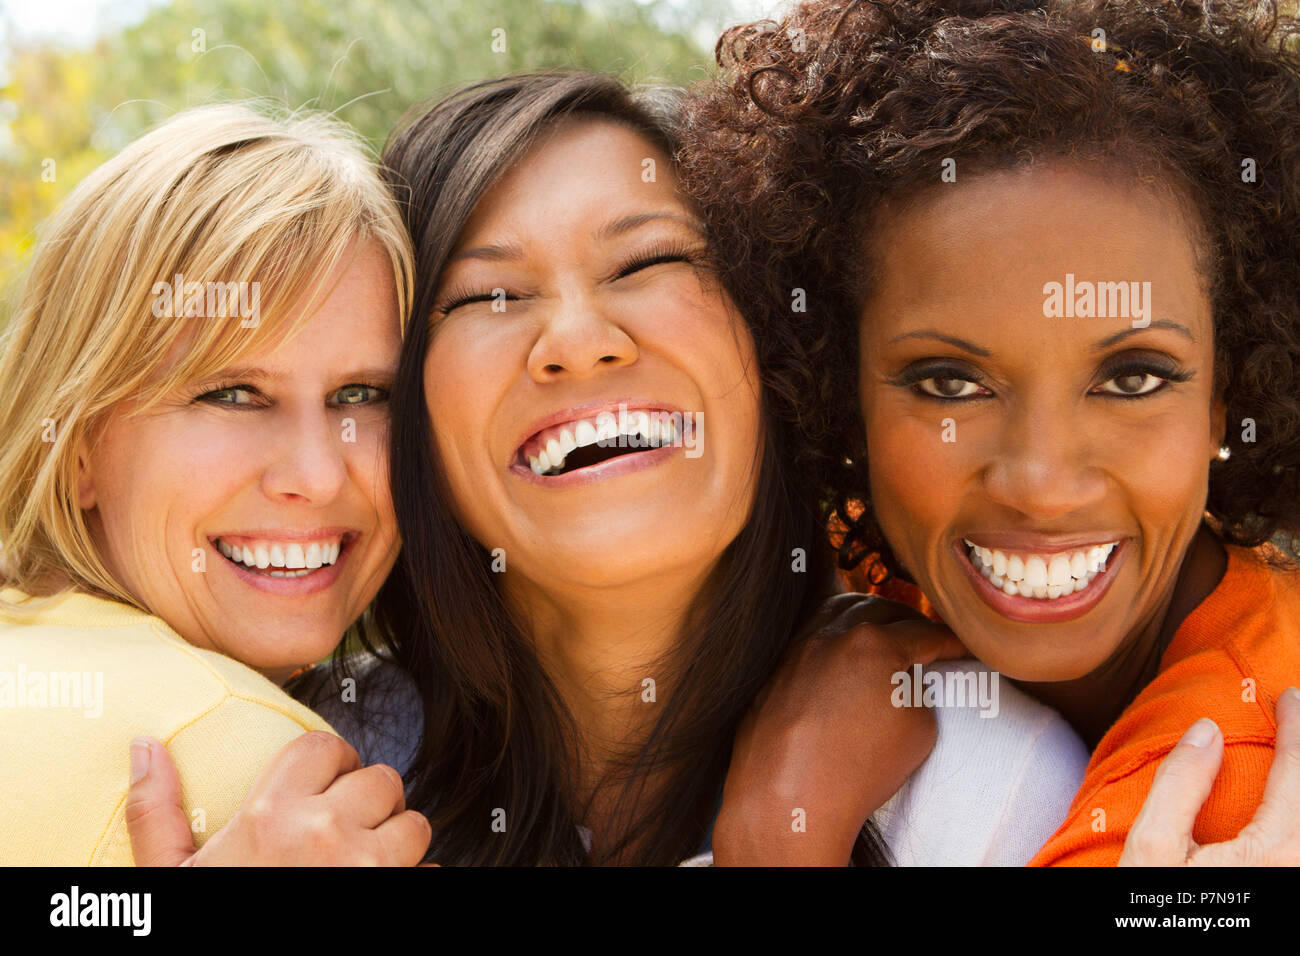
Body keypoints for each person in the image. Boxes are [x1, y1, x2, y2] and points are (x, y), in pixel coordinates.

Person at [292, 70, 1091, 866]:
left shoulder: (984, 786)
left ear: (773, 345)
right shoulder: (297, 779)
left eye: (646, 262)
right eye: (489, 296)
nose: (577, 339)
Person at [677, 0, 1300, 864]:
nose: (1041, 483)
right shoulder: (827, 564)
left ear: (1226, 399)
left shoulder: (1235, 789)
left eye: (1132, 379)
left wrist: (781, 828)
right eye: (951, 385)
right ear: (838, 391)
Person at [0, 103, 428, 865]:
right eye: (232, 394)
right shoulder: (273, 786)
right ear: (76, 448)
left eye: (362, 395)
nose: (318, 474)